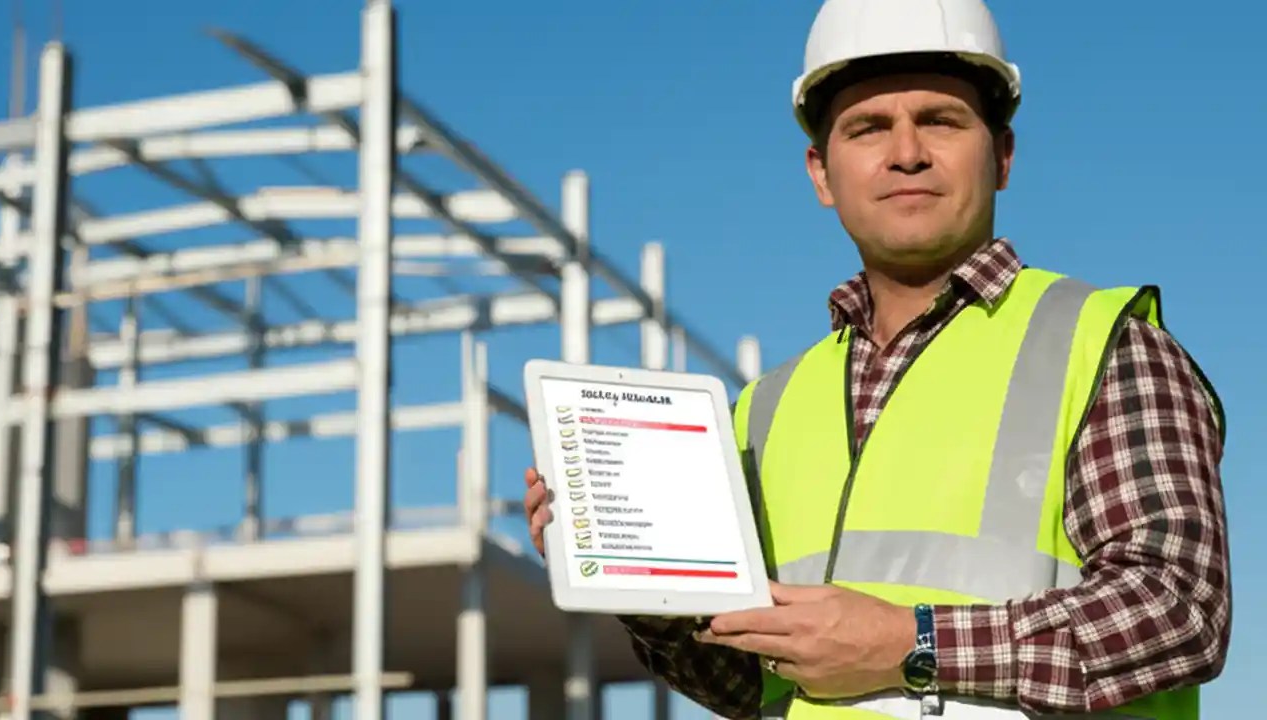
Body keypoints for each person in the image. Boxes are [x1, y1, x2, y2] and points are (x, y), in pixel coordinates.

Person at [523, 0, 1232, 717]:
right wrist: (629, 576)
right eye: (868, 128)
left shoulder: (1100, 344)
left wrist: (910, 643)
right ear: (821, 173)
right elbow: (752, 682)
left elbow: (1178, 611)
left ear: (1004, 155)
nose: (907, 152)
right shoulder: (763, 409)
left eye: (940, 121)